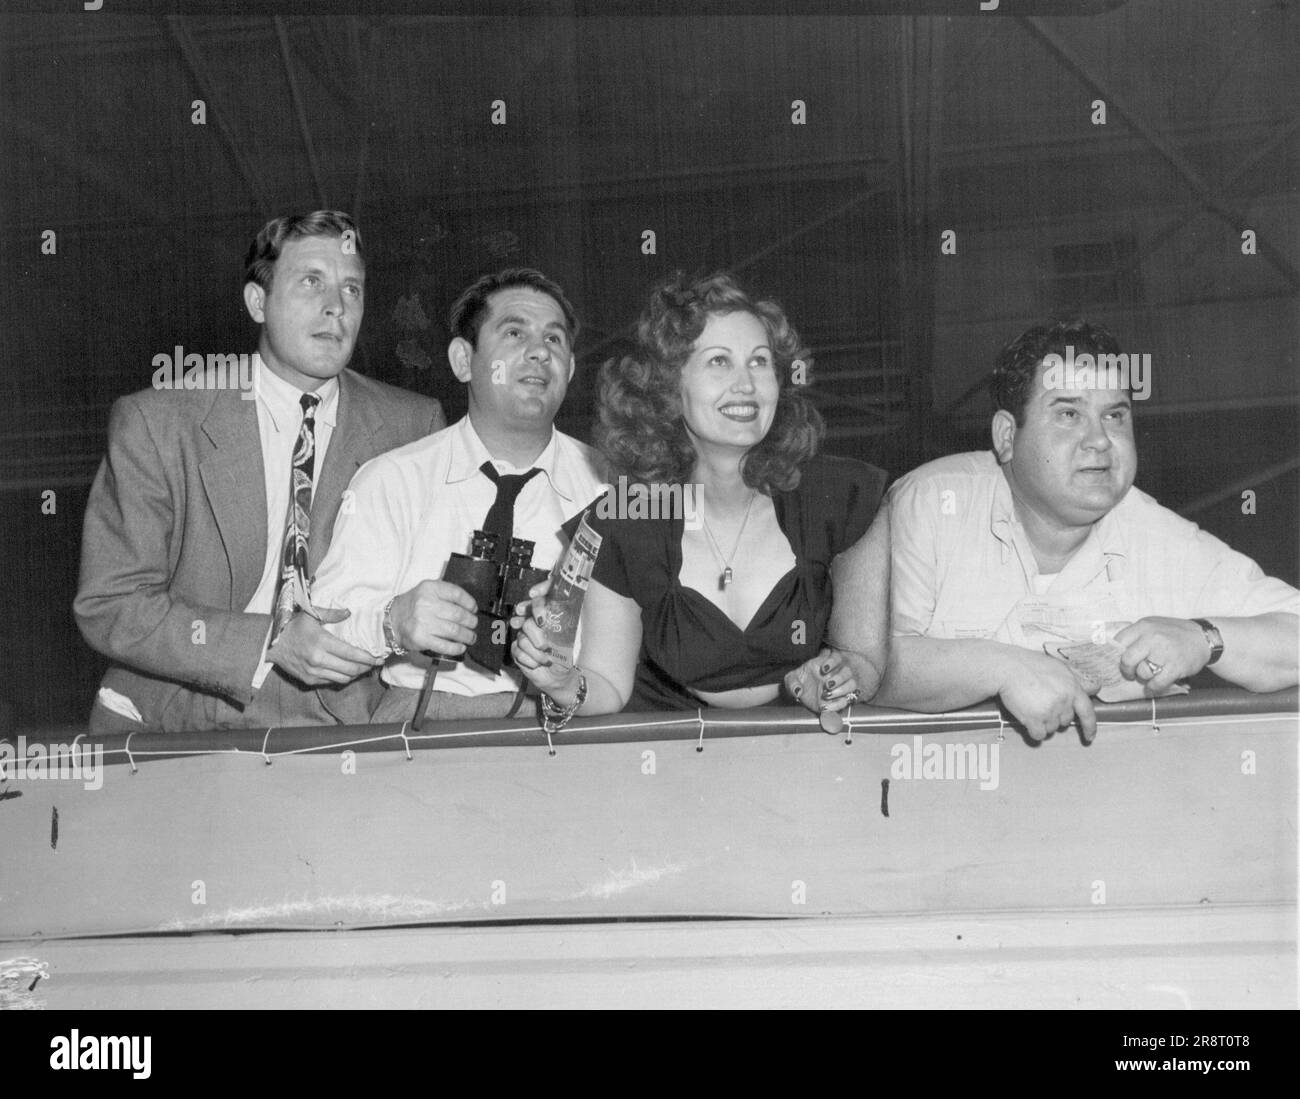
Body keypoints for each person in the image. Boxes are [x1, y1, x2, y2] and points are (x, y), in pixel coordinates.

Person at [75, 211, 445, 732]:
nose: (335, 307)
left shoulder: (414, 423)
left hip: (342, 720)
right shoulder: (158, 419)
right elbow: (110, 604)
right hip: (174, 711)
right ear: (257, 302)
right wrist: (267, 641)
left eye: (352, 289)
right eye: (310, 282)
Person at [880, 319, 1299, 743]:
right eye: (1068, 413)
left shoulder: (1163, 541)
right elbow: (866, 663)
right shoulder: (931, 504)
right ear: (1007, 435)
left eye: (1114, 416)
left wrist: (1205, 638)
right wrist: (1003, 668)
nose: (1099, 440)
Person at [511, 271, 890, 718]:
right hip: (672, 750)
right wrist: (560, 681)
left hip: (804, 750)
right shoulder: (624, 521)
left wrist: (838, 681)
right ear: (670, 386)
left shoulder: (839, 497)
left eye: (760, 361)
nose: (746, 383)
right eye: (719, 361)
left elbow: (865, 664)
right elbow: (608, 686)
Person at [310, 268, 606, 723]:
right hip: (413, 728)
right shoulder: (392, 480)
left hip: (557, 728)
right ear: (463, 360)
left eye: (555, 340)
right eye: (514, 332)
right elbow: (320, 632)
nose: (539, 353)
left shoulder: (610, 493)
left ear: (569, 368)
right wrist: (393, 621)